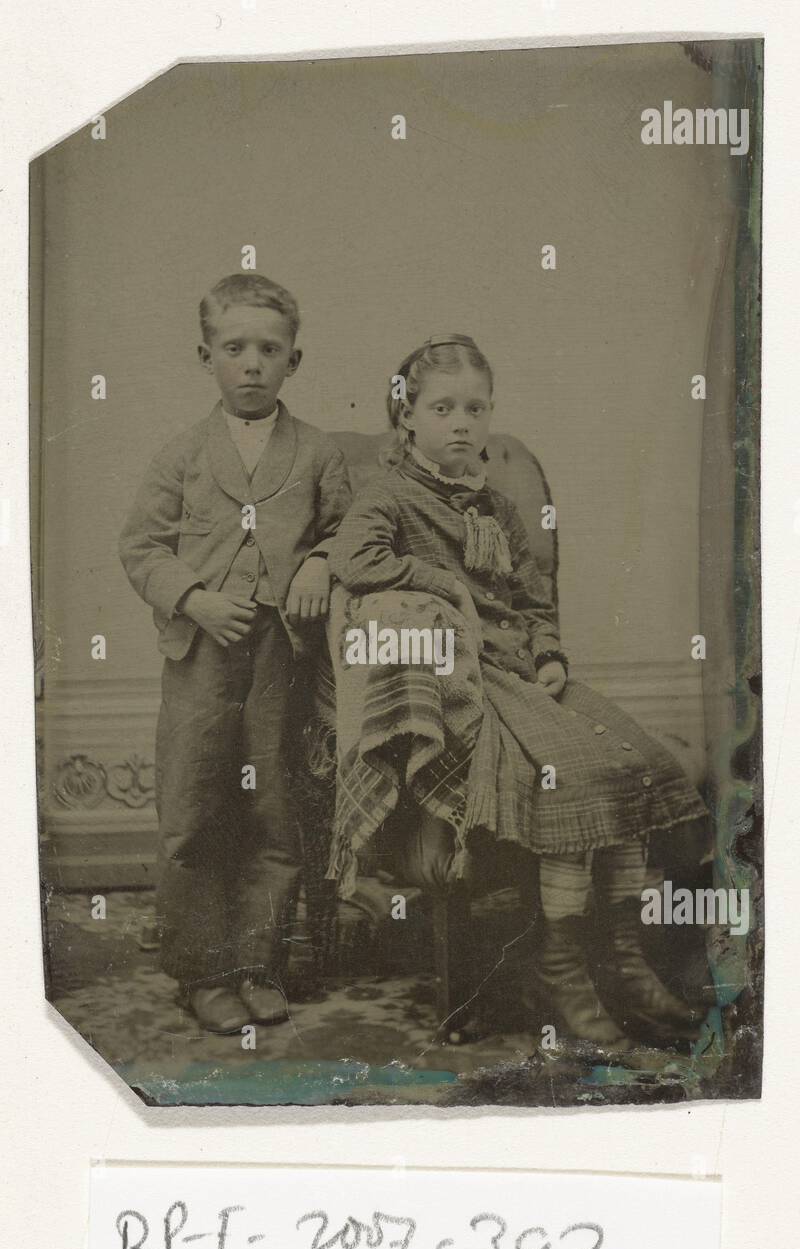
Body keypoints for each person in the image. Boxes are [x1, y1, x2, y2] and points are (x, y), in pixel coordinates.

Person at [328, 334, 708, 1057]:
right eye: (442, 408)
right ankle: (562, 972)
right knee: (575, 786)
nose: (462, 423)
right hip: (470, 686)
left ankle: (626, 966)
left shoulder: (499, 508)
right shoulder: (388, 497)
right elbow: (355, 559)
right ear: (407, 418)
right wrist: (437, 580)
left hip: (527, 675)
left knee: (633, 767)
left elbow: (534, 600)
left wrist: (551, 655)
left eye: (476, 407)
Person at [119, 273, 349, 1034]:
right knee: (194, 808)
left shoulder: (315, 452)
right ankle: (205, 971)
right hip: (201, 660)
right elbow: (142, 546)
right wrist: (192, 597)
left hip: (281, 659)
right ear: (206, 357)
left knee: (272, 810)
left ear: (295, 360)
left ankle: (258, 964)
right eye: (235, 348)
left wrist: (320, 562)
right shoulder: (183, 454)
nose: (252, 363)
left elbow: (353, 530)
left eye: (269, 349)